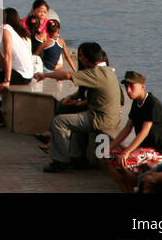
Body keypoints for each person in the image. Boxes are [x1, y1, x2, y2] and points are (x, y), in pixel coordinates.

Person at [38, 41, 122, 169]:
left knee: (59, 121)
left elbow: (66, 75)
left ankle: (60, 161)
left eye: (82, 56)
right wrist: (73, 99)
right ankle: (78, 158)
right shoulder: (107, 71)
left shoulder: (96, 74)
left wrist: (44, 75)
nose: (80, 59)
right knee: (75, 120)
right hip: (110, 117)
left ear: (89, 57)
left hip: (100, 119)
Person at [105, 71, 162, 191]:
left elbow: (144, 132)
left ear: (142, 86)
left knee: (124, 161)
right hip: (142, 149)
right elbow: (127, 128)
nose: (128, 90)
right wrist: (109, 147)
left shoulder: (152, 103)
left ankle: (136, 187)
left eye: (132, 87)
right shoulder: (136, 103)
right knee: (106, 158)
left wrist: (126, 152)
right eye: (126, 87)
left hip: (156, 151)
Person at [0, 8, 36, 129]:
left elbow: (8, 55)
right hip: (19, 72)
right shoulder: (6, 30)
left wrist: (7, 80)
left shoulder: (5, 31)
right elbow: (5, 60)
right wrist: (0, 56)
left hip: (22, 75)